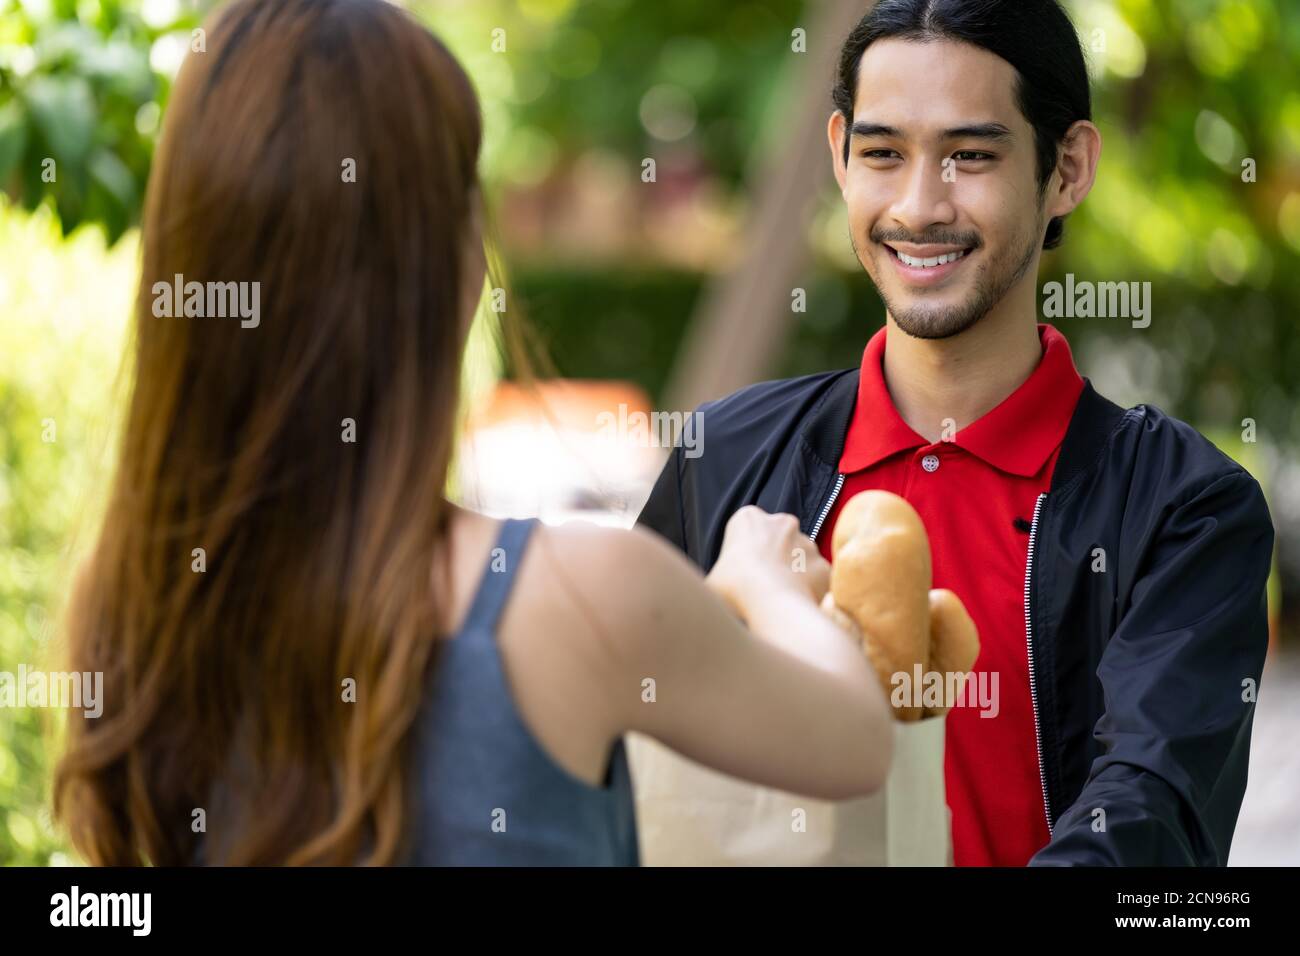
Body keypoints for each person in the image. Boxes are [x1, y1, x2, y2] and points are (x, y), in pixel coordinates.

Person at [53, 0, 893, 866]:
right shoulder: (577, 592)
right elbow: (856, 740)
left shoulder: (125, 612)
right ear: (451, 269)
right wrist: (773, 581)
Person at [637, 0, 1274, 866]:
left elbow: (1148, 822)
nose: (918, 205)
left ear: (1069, 168)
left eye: (970, 155)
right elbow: (614, 748)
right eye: (883, 154)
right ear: (839, 155)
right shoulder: (723, 458)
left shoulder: (1184, 509)